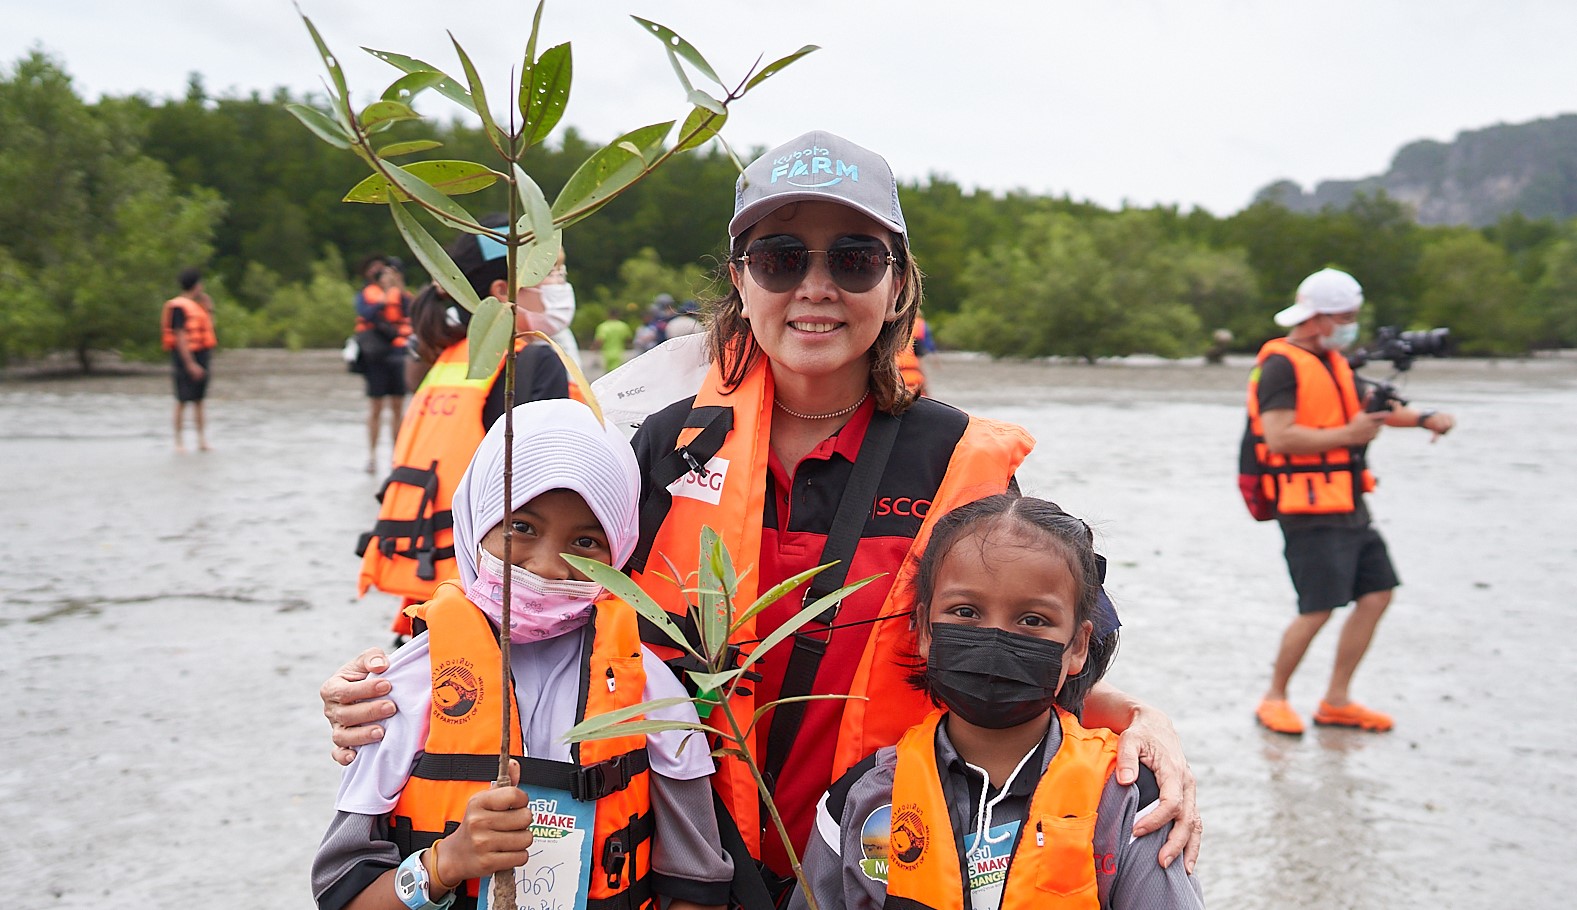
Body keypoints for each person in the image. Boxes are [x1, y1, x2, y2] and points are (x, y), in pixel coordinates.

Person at [324, 131, 1201, 901]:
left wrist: (1136, 720)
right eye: (782, 258)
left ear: (896, 287)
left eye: (853, 259)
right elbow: (536, 606)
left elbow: (1048, 653)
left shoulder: (959, 467)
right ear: (740, 281)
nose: (815, 287)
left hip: (869, 863)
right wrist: (390, 678)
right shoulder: (663, 451)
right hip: (688, 862)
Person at [314, 399, 732, 910]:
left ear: (619, 551)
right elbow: (343, 896)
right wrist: (445, 863)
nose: (550, 565)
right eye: (522, 528)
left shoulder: (650, 691)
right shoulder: (405, 688)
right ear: (475, 522)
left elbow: (698, 882)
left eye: (585, 541)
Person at [792, 494, 1203, 910]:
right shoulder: (861, 800)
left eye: (1033, 620)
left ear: (1077, 646)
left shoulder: (1129, 801)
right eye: (966, 612)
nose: (994, 641)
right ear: (923, 630)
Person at [1246, 267, 1456, 735]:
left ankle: (1336, 699)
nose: (1350, 325)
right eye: (1345, 317)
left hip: (1348, 502)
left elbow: (1373, 406)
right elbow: (1279, 436)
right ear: (1317, 318)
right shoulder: (1280, 363)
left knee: (1377, 593)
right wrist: (1351, 434)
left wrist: (1424, 417)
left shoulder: (1334, 361)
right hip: (1306, 507)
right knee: (1317, 607)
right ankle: (1274, 697)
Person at [357, 221, 571, 639]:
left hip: (432, 600)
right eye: (546, 275)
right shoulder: (533, 363)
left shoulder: (449, 359)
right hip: (494, 605)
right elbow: (550, 500)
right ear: (502, 293)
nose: (555, 286)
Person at [355, 255, 414, 474]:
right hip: (375, 357)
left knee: (398, 407)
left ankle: (396, 456)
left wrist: (397, 287)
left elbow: (412, 312)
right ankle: (371, 456)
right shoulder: (368, 295)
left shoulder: (404, 296)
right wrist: (384, 298)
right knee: (376, 407)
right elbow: (365, 314)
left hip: (398, 354)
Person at [161, 266, 216, 453]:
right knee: (182, 400)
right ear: (197, 285)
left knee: (199, 400)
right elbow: (180, 335)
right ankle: (179, 442)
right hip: (185, 358)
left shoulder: (200, 306)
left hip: (201, 354)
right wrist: (190, 364)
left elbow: (208, 329)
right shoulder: (178, 307)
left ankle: (201, 440)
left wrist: (210, 310)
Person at [894, 309, 935, 396]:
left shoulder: (893, 334)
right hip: (914, 379)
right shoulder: (920, 326)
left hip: (899, 379)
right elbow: (922, 357)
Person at [593, 307, 635, 373]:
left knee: (608, 375)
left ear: (608, 315)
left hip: (607, 354)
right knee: (618, 374)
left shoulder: (603, 326)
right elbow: (629, 339)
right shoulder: (623, 326)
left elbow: (600, 340)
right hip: (619, 354)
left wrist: (595, 348)